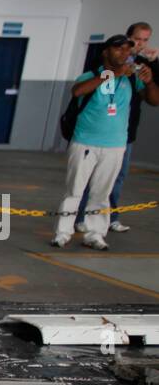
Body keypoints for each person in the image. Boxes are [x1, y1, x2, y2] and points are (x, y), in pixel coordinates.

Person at [52, 33, 159, 250]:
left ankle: (95, 234)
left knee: (102, 192)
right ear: (106, 52)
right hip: (85, 142)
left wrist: (149, 83)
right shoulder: (91, 76)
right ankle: (63, 232)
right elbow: (78, 91)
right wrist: (112, 74)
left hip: (115, 144)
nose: (124, 53)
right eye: (119, 49)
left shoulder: (132, 78)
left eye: (128, 50)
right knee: (74, 190)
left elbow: (154, 100)